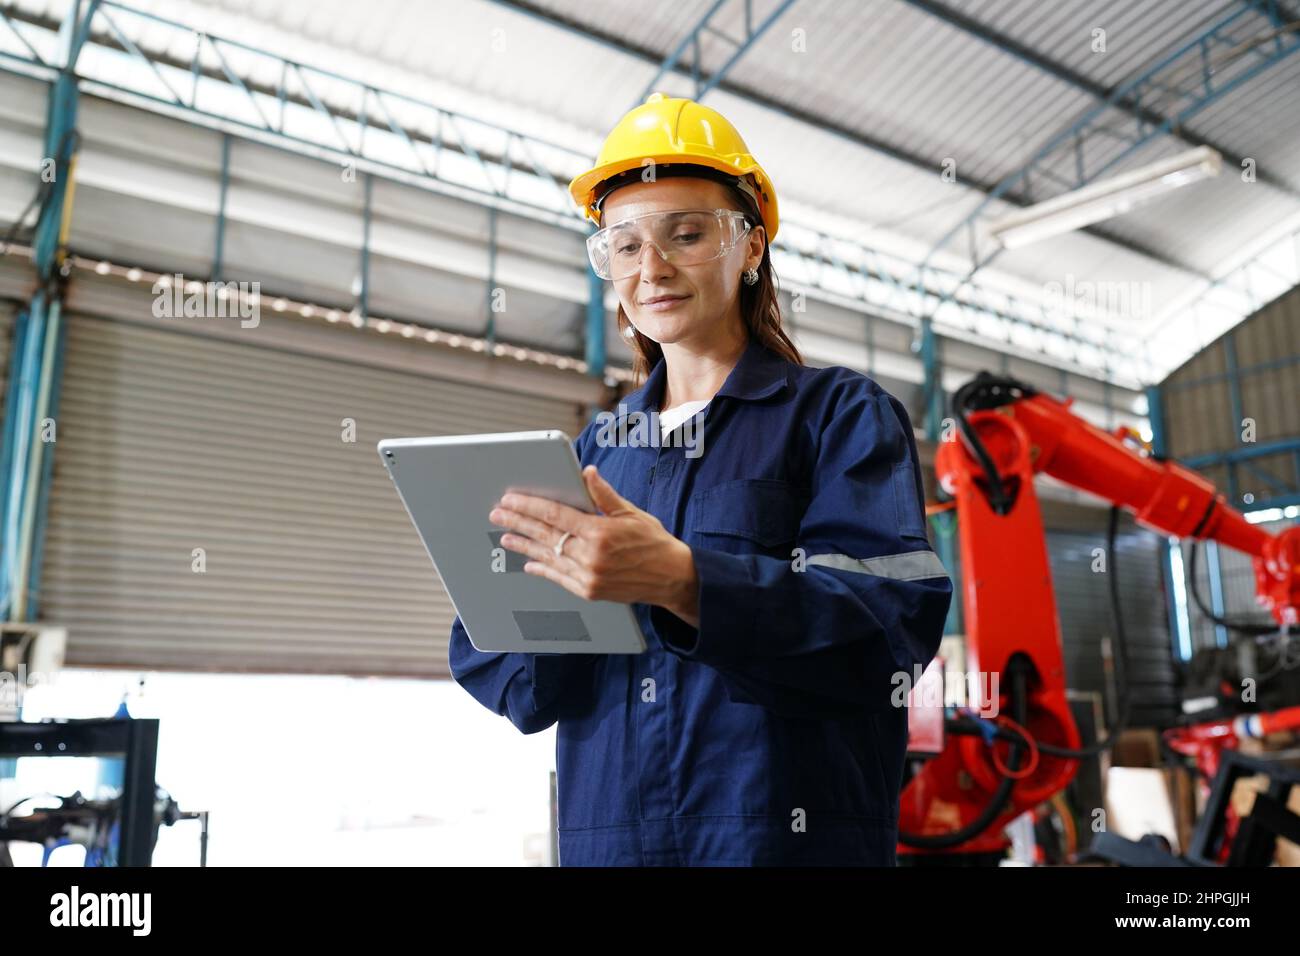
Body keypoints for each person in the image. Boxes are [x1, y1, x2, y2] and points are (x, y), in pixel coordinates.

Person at [449, 92, 952, 866]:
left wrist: (688, 582)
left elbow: (888, 630)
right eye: (623, 245)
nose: (651, 268)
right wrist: (537, 595)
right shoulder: (595, 451)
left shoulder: (838, 417)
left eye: (687, 234)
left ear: (750, 247)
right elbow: (513, 683)